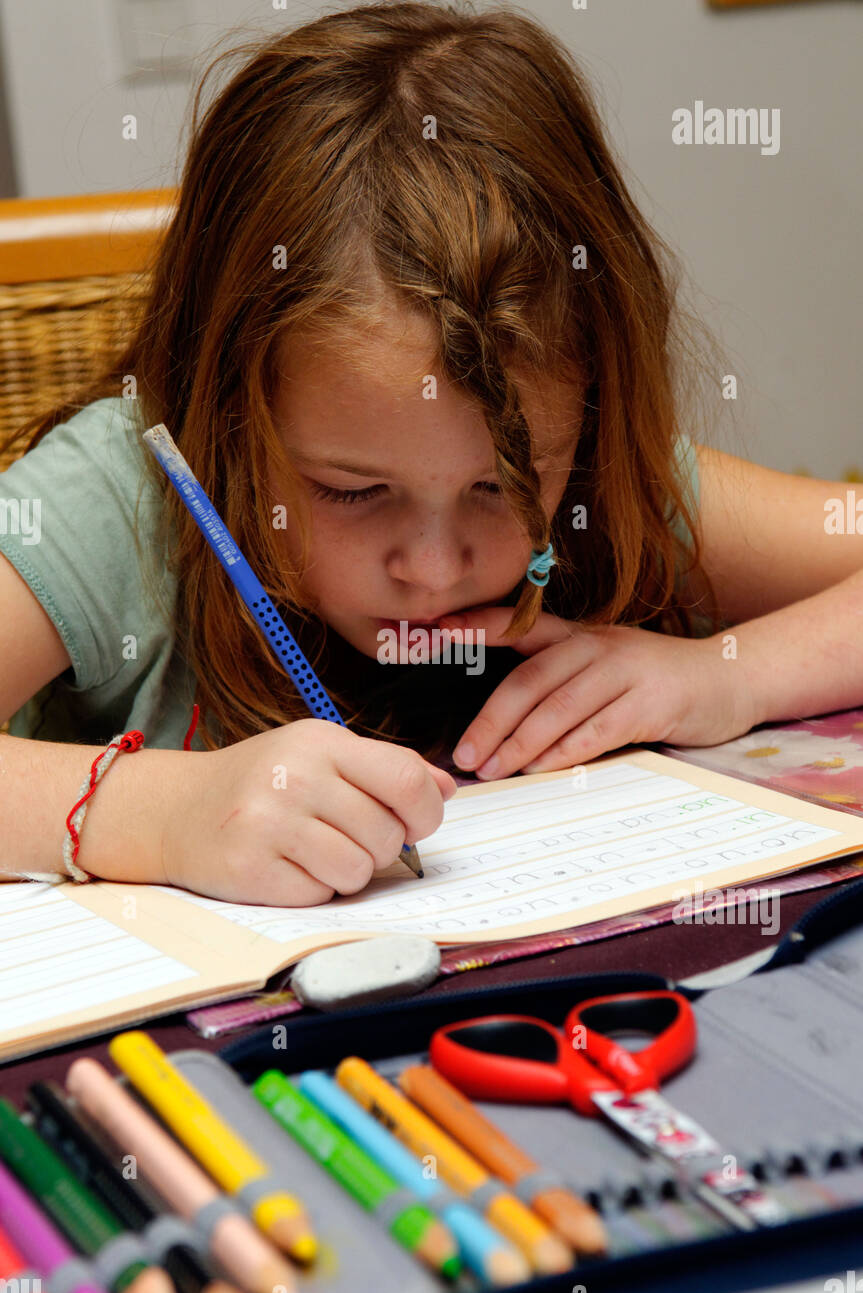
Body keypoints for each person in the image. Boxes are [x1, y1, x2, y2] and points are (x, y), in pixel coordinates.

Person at [2, 3, 860, 907]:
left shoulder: (613, 489)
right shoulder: (123, 498)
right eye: (352, 491)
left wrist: (726, 675)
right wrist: (162, 813)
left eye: (503, 487)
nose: (434, 567)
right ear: (223, 410)